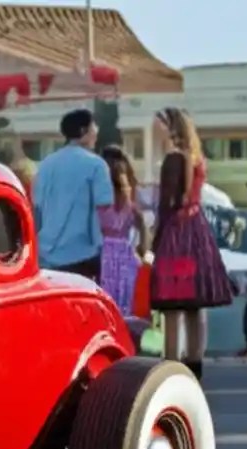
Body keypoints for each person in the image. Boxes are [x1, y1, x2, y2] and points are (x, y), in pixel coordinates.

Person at [149, 107, 234, 380]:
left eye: (159, 123)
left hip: (177, 233)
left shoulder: (173, 159)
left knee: (173, 306)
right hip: (197, 231)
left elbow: (169, 204)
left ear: (170, 127)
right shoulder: (196, 157)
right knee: (194, 305)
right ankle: (196, 365)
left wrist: (156, 240)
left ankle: (171, 365)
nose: (154, 128)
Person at [32, 108, 114, 280]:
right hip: (84, 254)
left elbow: (36, 210)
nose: (96, 132)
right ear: (84, 132)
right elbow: (104, 211)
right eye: (94, 128)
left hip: (46, 254)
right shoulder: (96, 165)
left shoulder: (46, 164)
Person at [97, 145, 150, 316]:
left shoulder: (100, 201)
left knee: (105, 304)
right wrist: (143, 247)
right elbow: (142, 223)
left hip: (103, 255)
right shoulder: (129, 201)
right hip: (126, 255)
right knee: (124, 304)